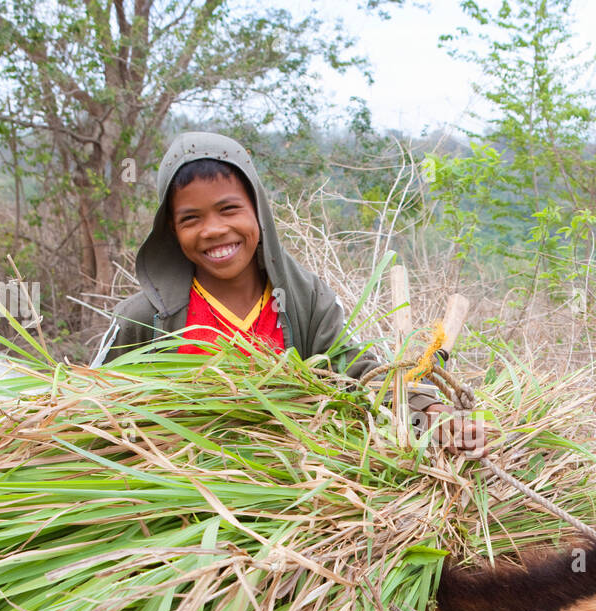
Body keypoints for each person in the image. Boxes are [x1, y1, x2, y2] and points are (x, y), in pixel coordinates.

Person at [97, 131, 486, 456]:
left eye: (228, 209)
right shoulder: (146, 318)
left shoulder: (305, 300)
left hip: (293, 496)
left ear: (258, 212)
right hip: (184, 500)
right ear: (171, 229)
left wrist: (431, 412)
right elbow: (94, 408)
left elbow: (361, 375)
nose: (213, 230)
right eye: (191, 219)